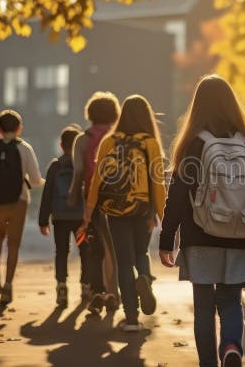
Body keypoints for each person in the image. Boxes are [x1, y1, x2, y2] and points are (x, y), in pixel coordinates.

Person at [159, 75, 245, 367]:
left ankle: (208, 362)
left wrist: (167, 237)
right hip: (239, 233)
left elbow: (178, 194)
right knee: (231, 301)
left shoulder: (193, 143)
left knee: (204, 307)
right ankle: (232, 347)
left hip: (200, 235)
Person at [81, 95, 166, 331]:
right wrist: (162, 216)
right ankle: (146, 280)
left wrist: (88, 211)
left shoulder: (110, 141)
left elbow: (98, 180)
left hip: (114, 210)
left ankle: (131, 319)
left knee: (124, 262)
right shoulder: (150, 143)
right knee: (141, 253)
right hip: (143, 210)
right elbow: (157, 184)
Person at [0, 110, 45, 306]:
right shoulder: (25, 149)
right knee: (13, 244)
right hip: (19, 201)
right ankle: (7, 286)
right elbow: (35, 179)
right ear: (19, 129)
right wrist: (42, 182)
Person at [68, 92, 121, 314]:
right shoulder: (118, 136)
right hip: (119, 196)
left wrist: (73, 196)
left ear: (90, 113)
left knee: (97, 246)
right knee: (114, 247)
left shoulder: (82, 139)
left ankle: (99, 291)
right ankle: (113, 291)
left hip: (93, 197)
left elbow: (79, 171)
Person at [38, 125, 85, 306]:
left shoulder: (55, 166)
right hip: (80, 218)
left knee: (61, 252)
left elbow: (47, 194)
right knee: (85, 252)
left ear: (61, 144)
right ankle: (85, 286)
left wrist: (43, 220)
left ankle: (62, 285)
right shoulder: (83, 164)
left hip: (60, 217)